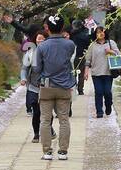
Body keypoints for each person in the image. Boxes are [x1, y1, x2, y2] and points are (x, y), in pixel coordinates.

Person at [34, 19, 77, 160]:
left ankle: (47, 151)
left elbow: (37, 68)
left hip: (47, 86)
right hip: (64, 86)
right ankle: (63, 151)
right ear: (62, 27)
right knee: (64, 119)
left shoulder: (42, 46)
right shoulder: (70, 44)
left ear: (48, 29)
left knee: (45, 120)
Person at [83, 27, 121, 118]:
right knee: (99, 92)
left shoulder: (111, 43)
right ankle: (99, 111)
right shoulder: (92, 45)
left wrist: (110, 51)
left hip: (108, 72)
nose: (101, 34)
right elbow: (88, 60)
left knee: (107, 92)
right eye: (98, 32)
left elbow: (118, 55)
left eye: (102, 32)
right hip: (96, 73)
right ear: (95, 34)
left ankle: (108, 106)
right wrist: (86, 72)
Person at [20, 30, 45, 142]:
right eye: (38, 38)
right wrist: (23, 78)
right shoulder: (30, 52)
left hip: (47, 86)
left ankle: (49, 129)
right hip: (33, 85)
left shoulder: (51, 52)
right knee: (36, 110)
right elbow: (24, 68)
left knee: (46, 111)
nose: (40, 41)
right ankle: (36, 133)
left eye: (42, 38)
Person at [71, 18, 93, 94]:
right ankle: (80, 90)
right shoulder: (84, 34)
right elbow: (88, 43)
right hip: (82, 55)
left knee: (73, 73)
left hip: (72, 56)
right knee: (81, 73)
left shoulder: (71, 34)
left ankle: (73, 87)